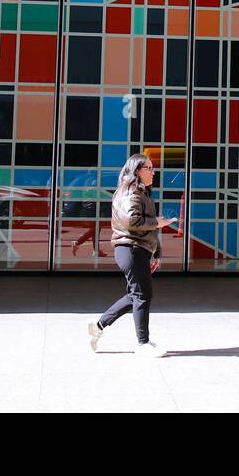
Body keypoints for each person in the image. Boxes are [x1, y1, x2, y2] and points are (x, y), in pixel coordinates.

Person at [87, 153, 177, 357]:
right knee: (143, 295)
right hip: (130, 248)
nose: (154, 172)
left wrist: (156, 253)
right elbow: (132, 221)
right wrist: (158, 223)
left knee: (134, 295)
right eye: (150, 168)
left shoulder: (140, 192)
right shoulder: (130, 191)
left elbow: (147, 226)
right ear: (137, 170)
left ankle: (99, 325)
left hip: (138, 249)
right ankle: (142, 343)